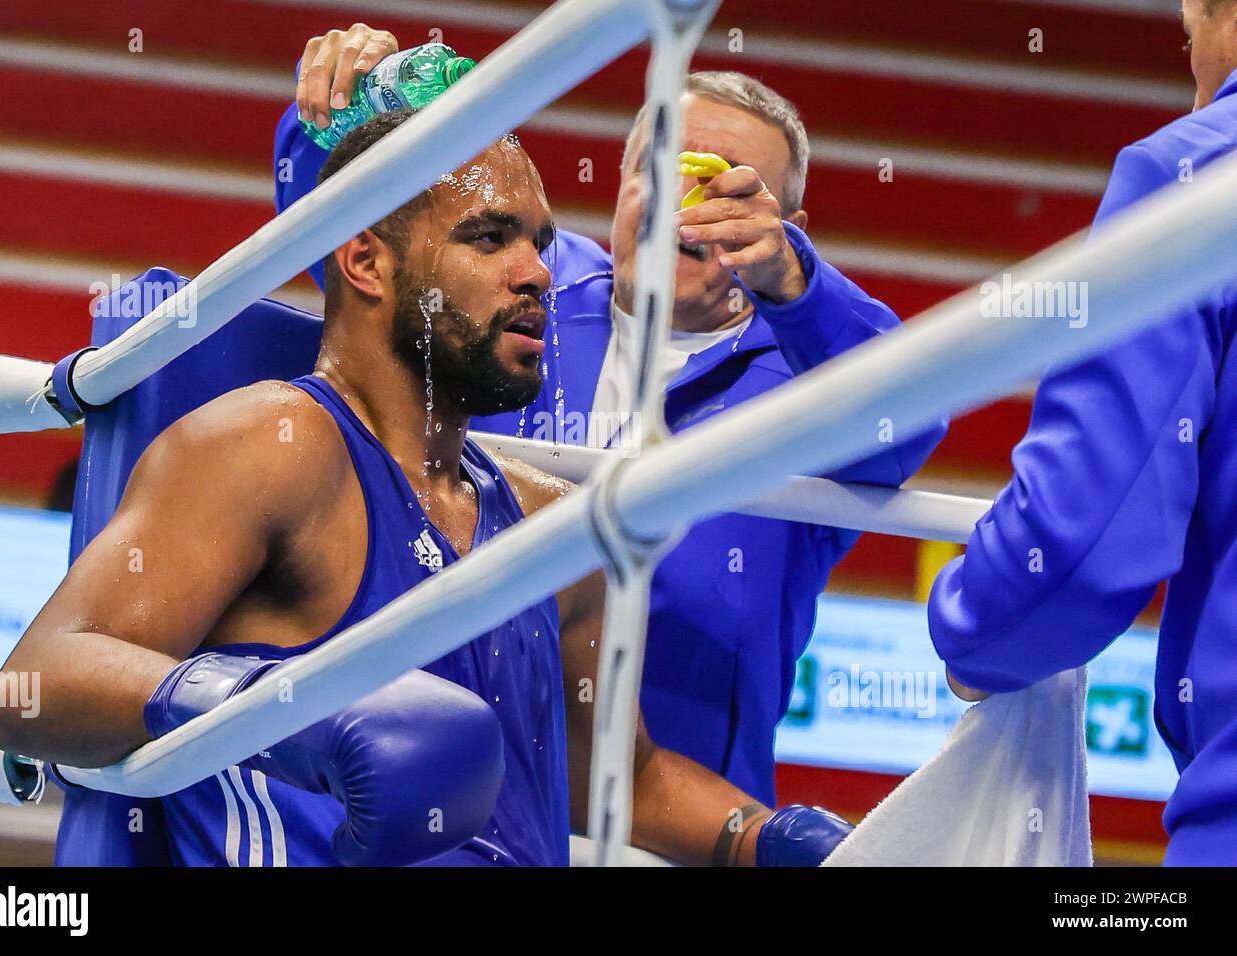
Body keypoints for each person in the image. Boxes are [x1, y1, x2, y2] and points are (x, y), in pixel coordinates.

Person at [0, 111, 853, 866]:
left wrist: (765, 838)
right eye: (489, 237)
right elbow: (37, 680)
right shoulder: (274, 449)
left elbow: (623, 777)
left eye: (542, 244)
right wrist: (292, 716)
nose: (538, 274)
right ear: (366, 259)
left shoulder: (550, 531)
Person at [276, 25, 947, 806]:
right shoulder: (523, 282)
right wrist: (340, 101)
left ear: (784, 228)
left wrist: (796, 281)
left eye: (724, 186)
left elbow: (912, 414)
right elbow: (341, 219)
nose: (683, 202)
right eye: (659, 168)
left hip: (672, 826)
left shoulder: (814, 382)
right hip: (435, 803)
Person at [928, 0, 1237, 865]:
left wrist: (974, 633)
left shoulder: (1196, 176)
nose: (1195, 78)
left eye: (1188, 44)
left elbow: (1082, 546)